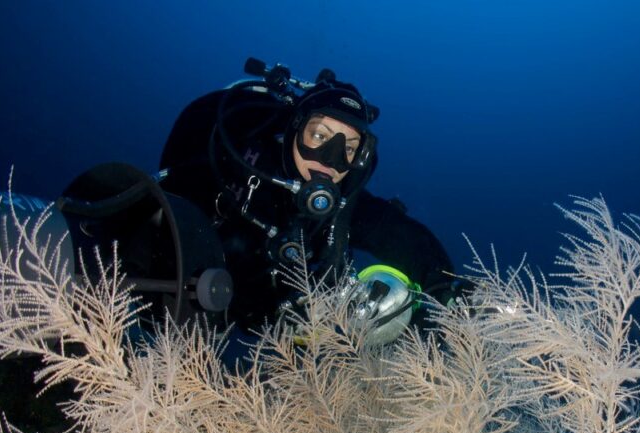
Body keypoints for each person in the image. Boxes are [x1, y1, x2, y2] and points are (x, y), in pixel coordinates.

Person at [154, 58, 460, 340]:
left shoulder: (342, 203)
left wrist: (447, 288)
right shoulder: (241, 160)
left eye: (349, 148)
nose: (331, 158)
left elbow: (397, 232)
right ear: (294, 129)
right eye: (319, 136)